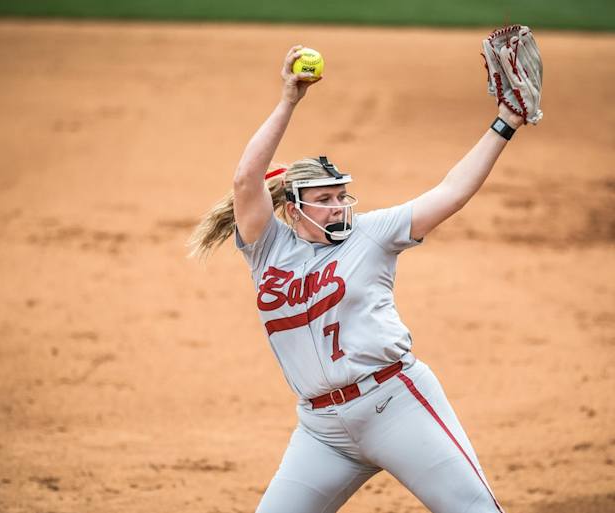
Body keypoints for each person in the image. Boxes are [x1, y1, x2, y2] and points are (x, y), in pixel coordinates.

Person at [189, 44, 524, 513]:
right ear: (292, 210)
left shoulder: (373, 234)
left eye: (342, 195)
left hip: (393, 403)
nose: (339, 205)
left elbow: (451, 191)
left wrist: (505, 122)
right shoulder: (268, 250)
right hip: (321, 432)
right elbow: (247, 180)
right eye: (324, 198)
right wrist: (289, 99)